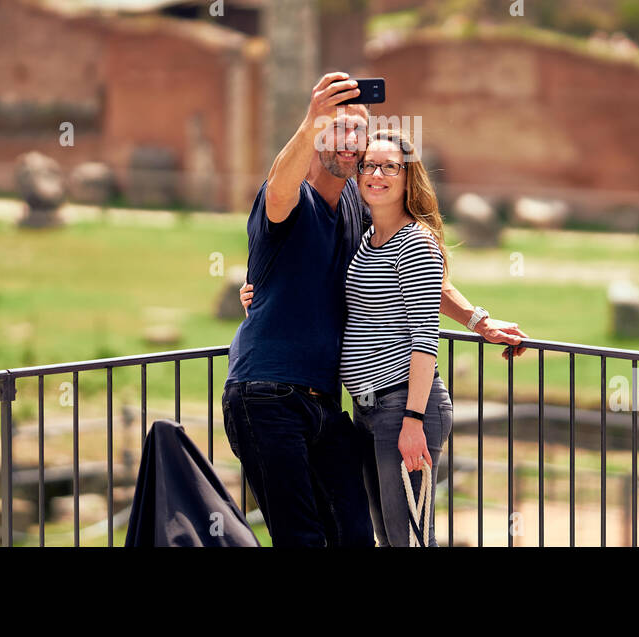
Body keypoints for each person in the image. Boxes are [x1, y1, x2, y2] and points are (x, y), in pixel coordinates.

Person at [222, 72, 525, 547]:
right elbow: (280, 184)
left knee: (360, 535)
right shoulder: (287, 196)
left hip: (335, 404)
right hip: (267, 396)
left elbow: (422, 283)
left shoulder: (358, 209)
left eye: (358, 130)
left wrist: (476, 320)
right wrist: (311, 120)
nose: (349, 140)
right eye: (336, 127)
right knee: (303, 537)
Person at [341, 127, 452, 546]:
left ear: (408, 177)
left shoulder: (415, 243)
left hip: (402, 409)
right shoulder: (368, 239)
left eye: (390, 166)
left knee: (411, 539)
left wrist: (413, 421)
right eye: (369, 165)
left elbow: (425, 340)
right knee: (389, 539)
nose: (377, 174)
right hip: (367, 410)